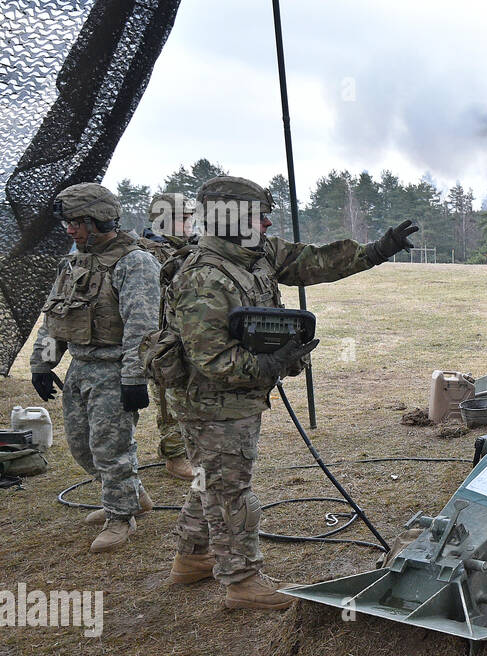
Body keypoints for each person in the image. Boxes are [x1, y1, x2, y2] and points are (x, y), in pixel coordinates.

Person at [162, 175, 418, 607]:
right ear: (229, 220)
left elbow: (314, 262)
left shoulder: (253, 254)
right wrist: (272, 364)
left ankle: (193, 557)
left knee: (215, 477)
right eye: (257, 217)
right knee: (230, 490)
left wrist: (377, 250)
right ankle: (241, 582)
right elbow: (213, 361)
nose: (265, 224)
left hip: (237, 398)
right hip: (213, 403)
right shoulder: (205, 278)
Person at [29, 183, 161, 552]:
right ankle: (132, 495)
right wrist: (42, 363)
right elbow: (54, 317)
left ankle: (121, 517)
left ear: (98, 219)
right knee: (81, 448)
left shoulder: (134, 263)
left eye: (75, 222)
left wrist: (134, 377)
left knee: (110, 448)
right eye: (68, 223)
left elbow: (142, 326)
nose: (69, 230)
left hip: (115, 368)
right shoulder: (74, 262)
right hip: (80, 367)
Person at [136, 191, 199, 481]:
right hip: (163, 336)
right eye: (184, 219)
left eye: (190, 218)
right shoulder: (144, 253)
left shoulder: (195, 249)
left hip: (195, 332)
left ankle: (194, 449)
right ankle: (175, 455)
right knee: (167, 398)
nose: (190, 224)